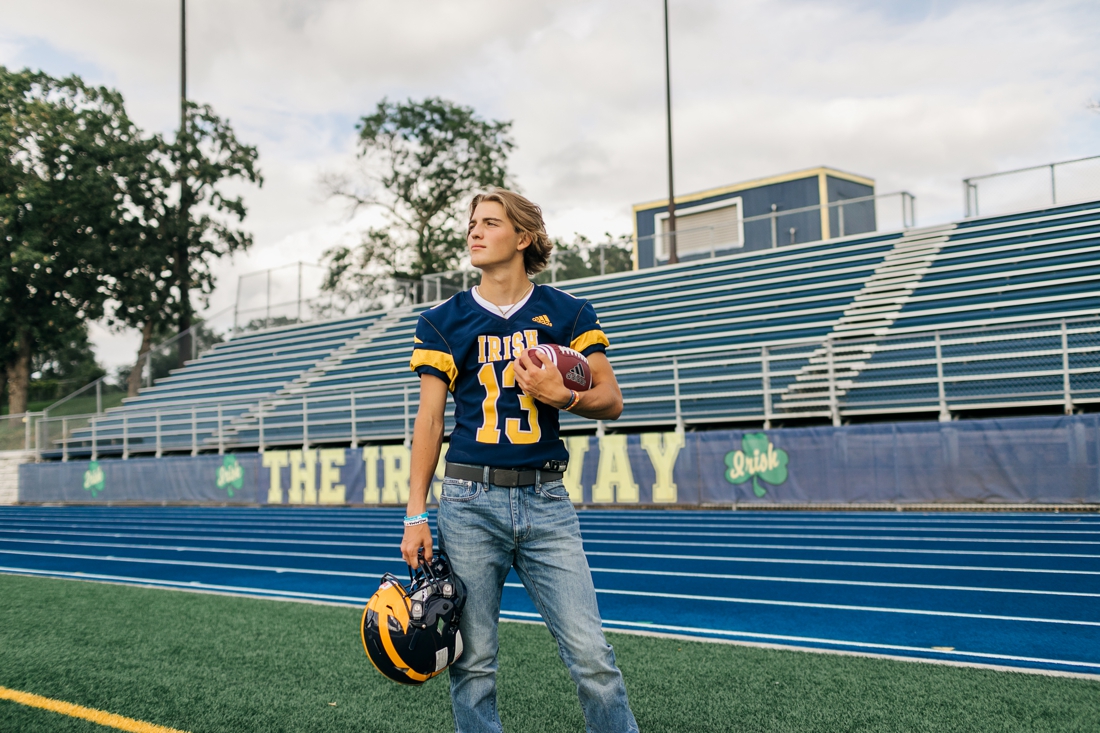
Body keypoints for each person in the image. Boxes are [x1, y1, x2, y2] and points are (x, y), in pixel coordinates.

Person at [401, 188, 639, 733]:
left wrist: (564, 397)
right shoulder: (445, 320)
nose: (474, 232)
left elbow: (613, 400)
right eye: (471, 224)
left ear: (524, 237)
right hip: (468, 502)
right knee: (473, 666)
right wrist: (416, 512)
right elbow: (430, 422)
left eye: (489, 222)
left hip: (545, 500)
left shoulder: (567, 312)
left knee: (593, 659)